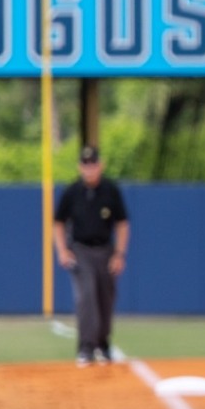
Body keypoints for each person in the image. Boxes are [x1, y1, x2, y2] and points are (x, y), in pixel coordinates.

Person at [52, 145, 128, 367]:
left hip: (105, 249)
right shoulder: (72, 191)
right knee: (86, 297)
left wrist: (119, 254)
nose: (90, 168)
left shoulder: (110, 191)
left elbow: (122, 224)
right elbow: (58, 222)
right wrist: (62, 250)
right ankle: (86, 347)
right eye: (86, 164)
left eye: (93, 163)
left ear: (100, 165)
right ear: (80, 166)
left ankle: (103, 345)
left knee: (105, 298)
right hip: (81, 250)